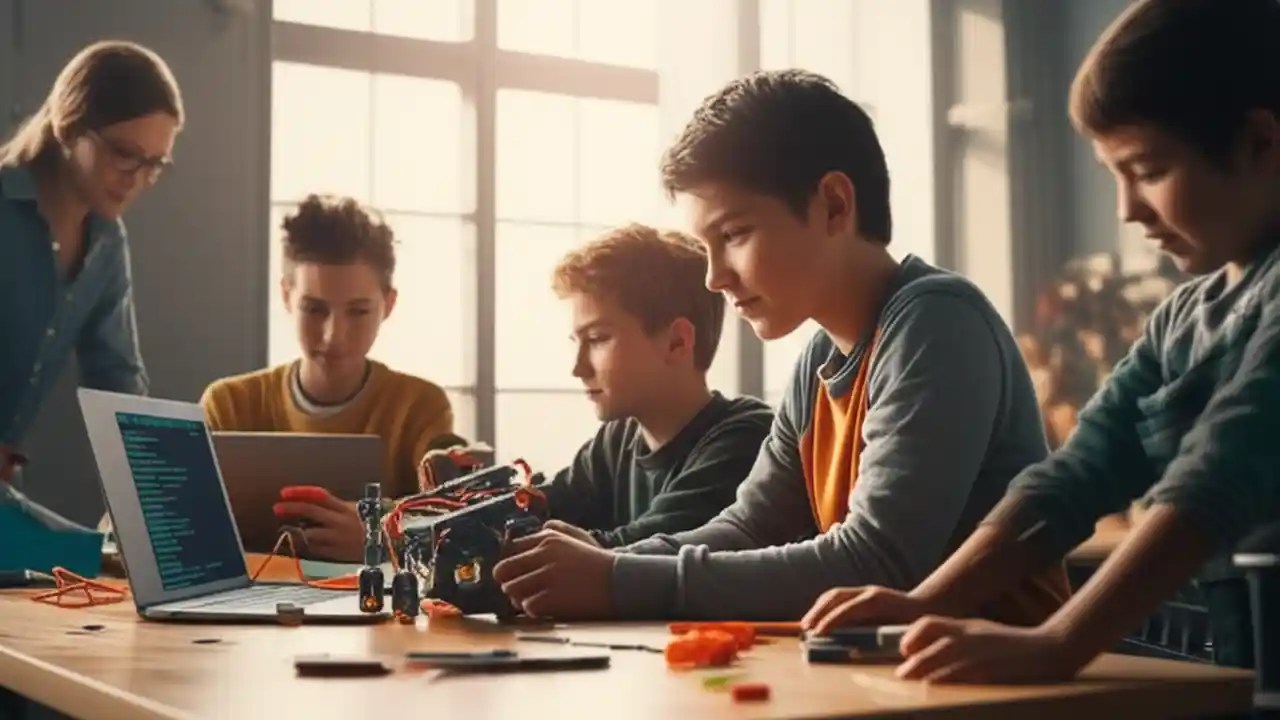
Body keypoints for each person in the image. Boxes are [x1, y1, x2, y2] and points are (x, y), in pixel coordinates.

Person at [801, 0, 1280, 683]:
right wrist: (923, 603)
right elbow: (1076, 473)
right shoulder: (1182, 317)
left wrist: (1058, 643)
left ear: (1261, 144)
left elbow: (1219, 475)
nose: (1125, 210)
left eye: (1146, 170)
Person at [491, 70, 1070, 622]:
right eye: (706, 247)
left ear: (835, 206)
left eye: (735, 235)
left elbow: (878, 562)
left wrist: (618, 580)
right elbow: (748, 527)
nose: (713, 277)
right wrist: (606, 561)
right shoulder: (819, 360)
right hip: (887, 675)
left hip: (1005, 684)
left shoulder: (936, 322)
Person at [201, 194, 453, 561]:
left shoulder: (419, 406)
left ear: (389, 304)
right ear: (286, 296)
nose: (334, 335)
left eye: (358, 312)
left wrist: (383, 538)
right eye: (314, 309)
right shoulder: (228, 404)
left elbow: (452, 520)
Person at [0, 41, 183, 485]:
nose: (137, 179)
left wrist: (160, 497)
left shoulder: (105, 244)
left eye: (154, 164)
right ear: (68, 126)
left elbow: (118, 383)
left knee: (85, 555)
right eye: (124, 154)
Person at [534, 223, 773, 549]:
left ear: (676, 342)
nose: (578, 368)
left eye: (597, 339)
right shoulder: (617, 439)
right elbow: (541, 508)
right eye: (577, 342)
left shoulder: (746, 439)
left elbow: (635, 556)